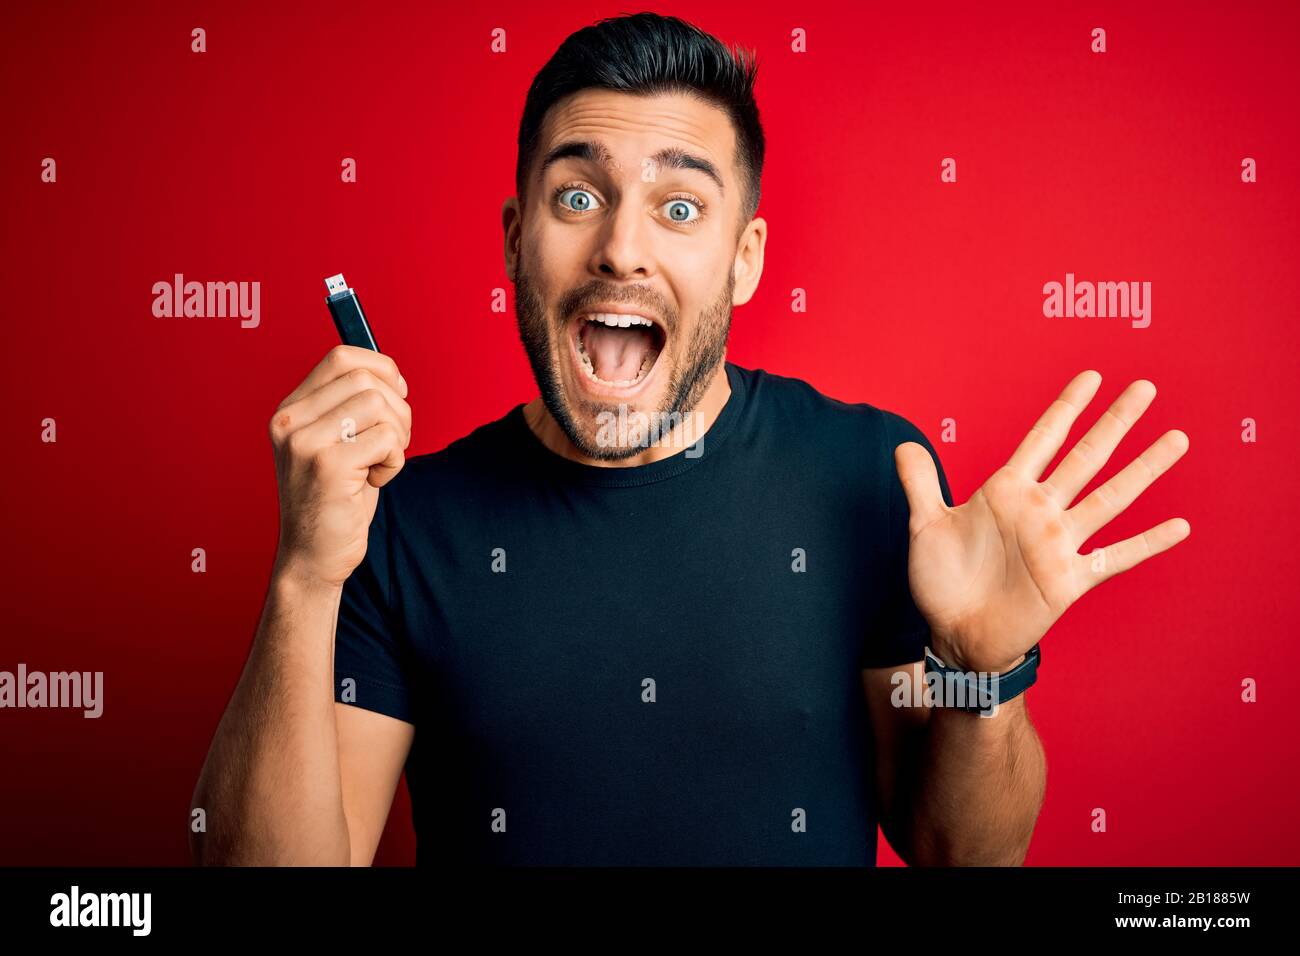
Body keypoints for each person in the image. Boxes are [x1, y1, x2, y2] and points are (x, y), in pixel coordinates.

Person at [189, 12, 1190, 866]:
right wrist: (303, 577)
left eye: (679, 207)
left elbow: (963, 851)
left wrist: (985, 668)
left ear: (744, 259)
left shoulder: (871, 479)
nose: (621, 245)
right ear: (512, 240)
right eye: (577, 196)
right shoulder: (397, 524)